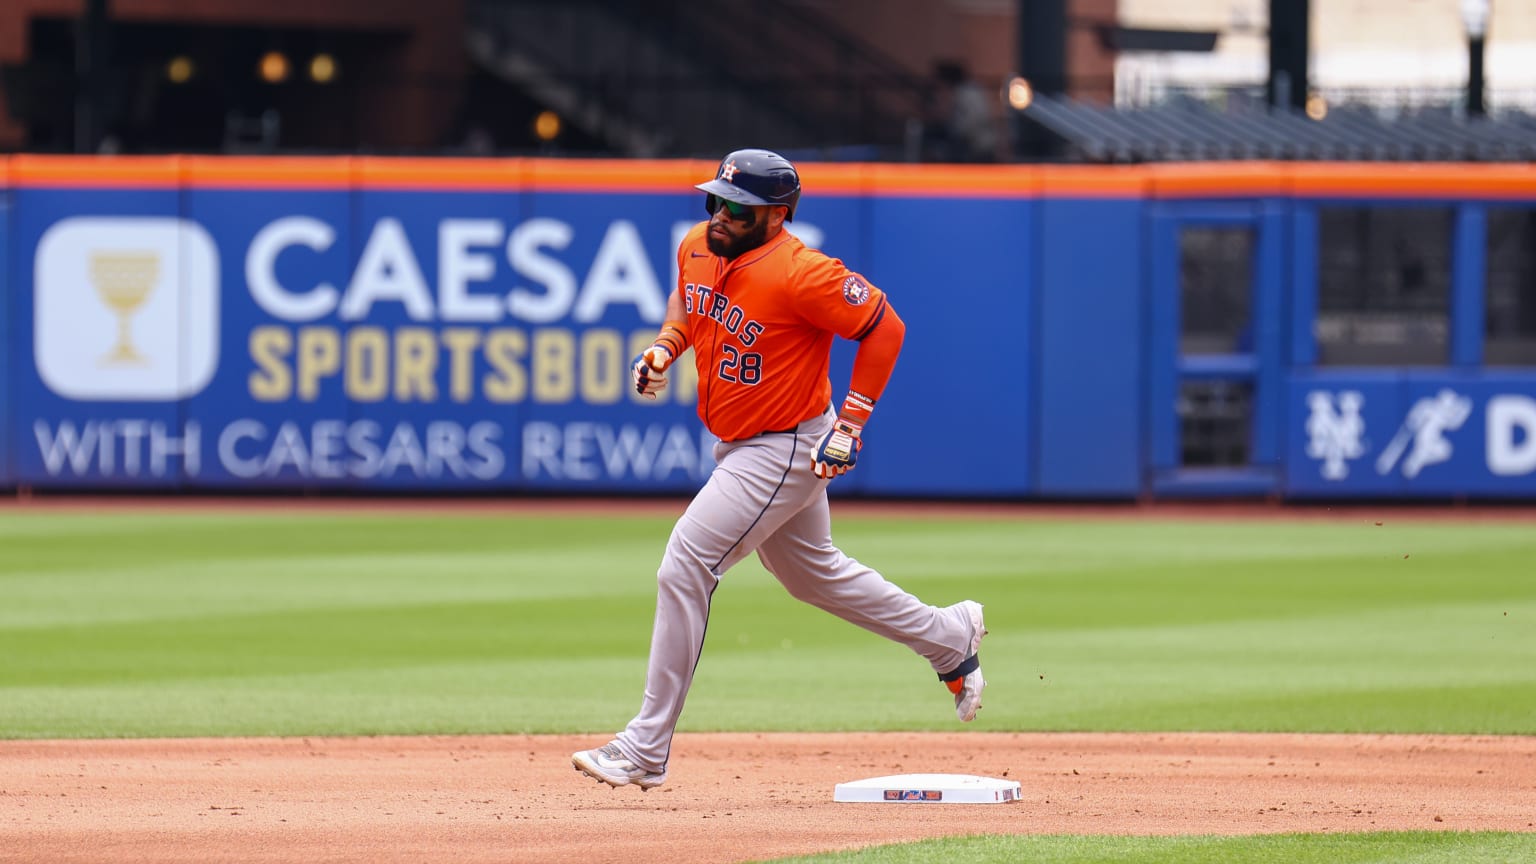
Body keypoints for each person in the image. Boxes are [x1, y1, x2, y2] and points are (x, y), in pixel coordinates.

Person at [571, 149, 988, 790]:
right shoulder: (696, 245)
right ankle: (947, 637)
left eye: (739, 207)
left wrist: (850, 425)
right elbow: (688, 308)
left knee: (686, 560)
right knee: (812, 576)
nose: (722, 214)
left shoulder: (803, 273)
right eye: (716, 199)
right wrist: (664, 347)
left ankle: (644, 747)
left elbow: (886, 328)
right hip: (740, 443)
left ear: (778, 215)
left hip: (789, 444)